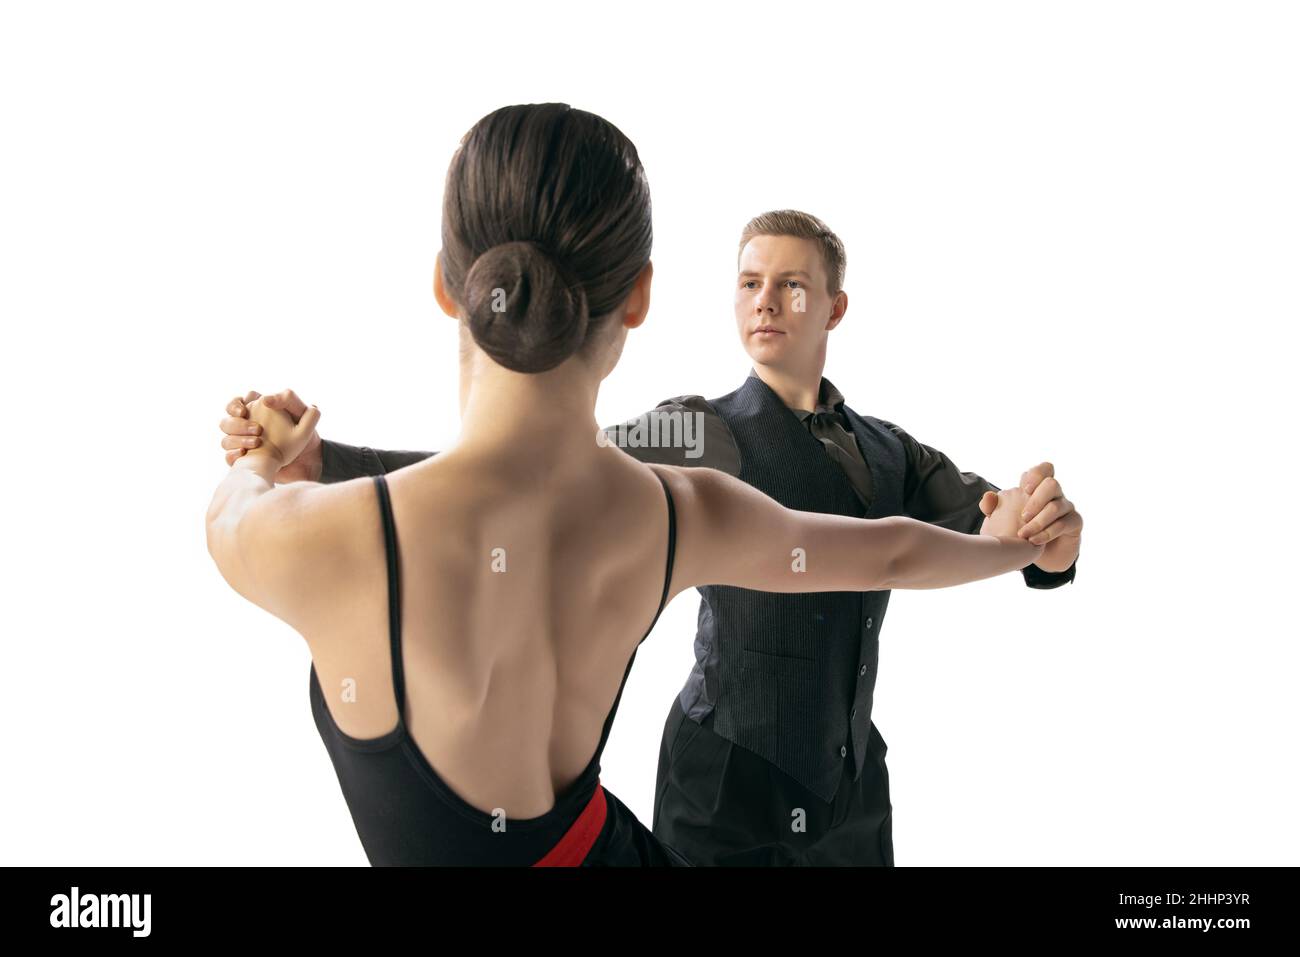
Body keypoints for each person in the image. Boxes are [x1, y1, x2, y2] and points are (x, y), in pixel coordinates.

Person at [207, 103, 1047, 866]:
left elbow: (252, 505)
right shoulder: (683, 503)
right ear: (640, 297)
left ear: (444, 283)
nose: (770, 304)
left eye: (793, 286)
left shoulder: (301, 536)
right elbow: (895, 552)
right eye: (753, 283)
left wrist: (268, 457)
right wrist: (1014, 547)